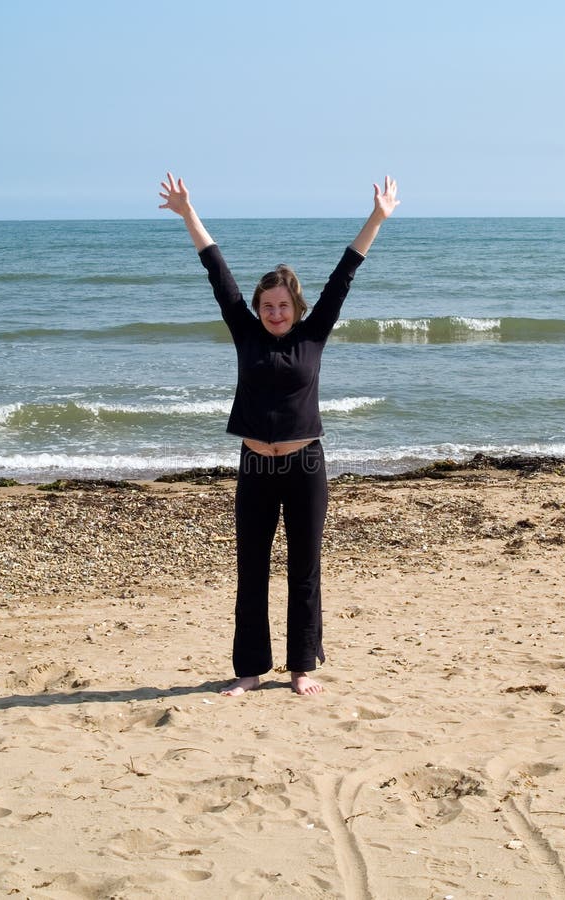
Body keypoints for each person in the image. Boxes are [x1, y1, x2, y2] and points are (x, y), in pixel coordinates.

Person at [159, 172, 400, 696]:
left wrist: (377, 218)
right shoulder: (245, 330)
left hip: (305, 465)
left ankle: (300, 667)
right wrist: (187, 214)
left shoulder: (314, 335)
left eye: (282, 306)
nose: (274, 313)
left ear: (297, 307)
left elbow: (344, 276)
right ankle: (248, 669)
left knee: (304, 569)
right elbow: (217, 273)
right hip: (256, 466)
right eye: (267, 305)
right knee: (252, 569)